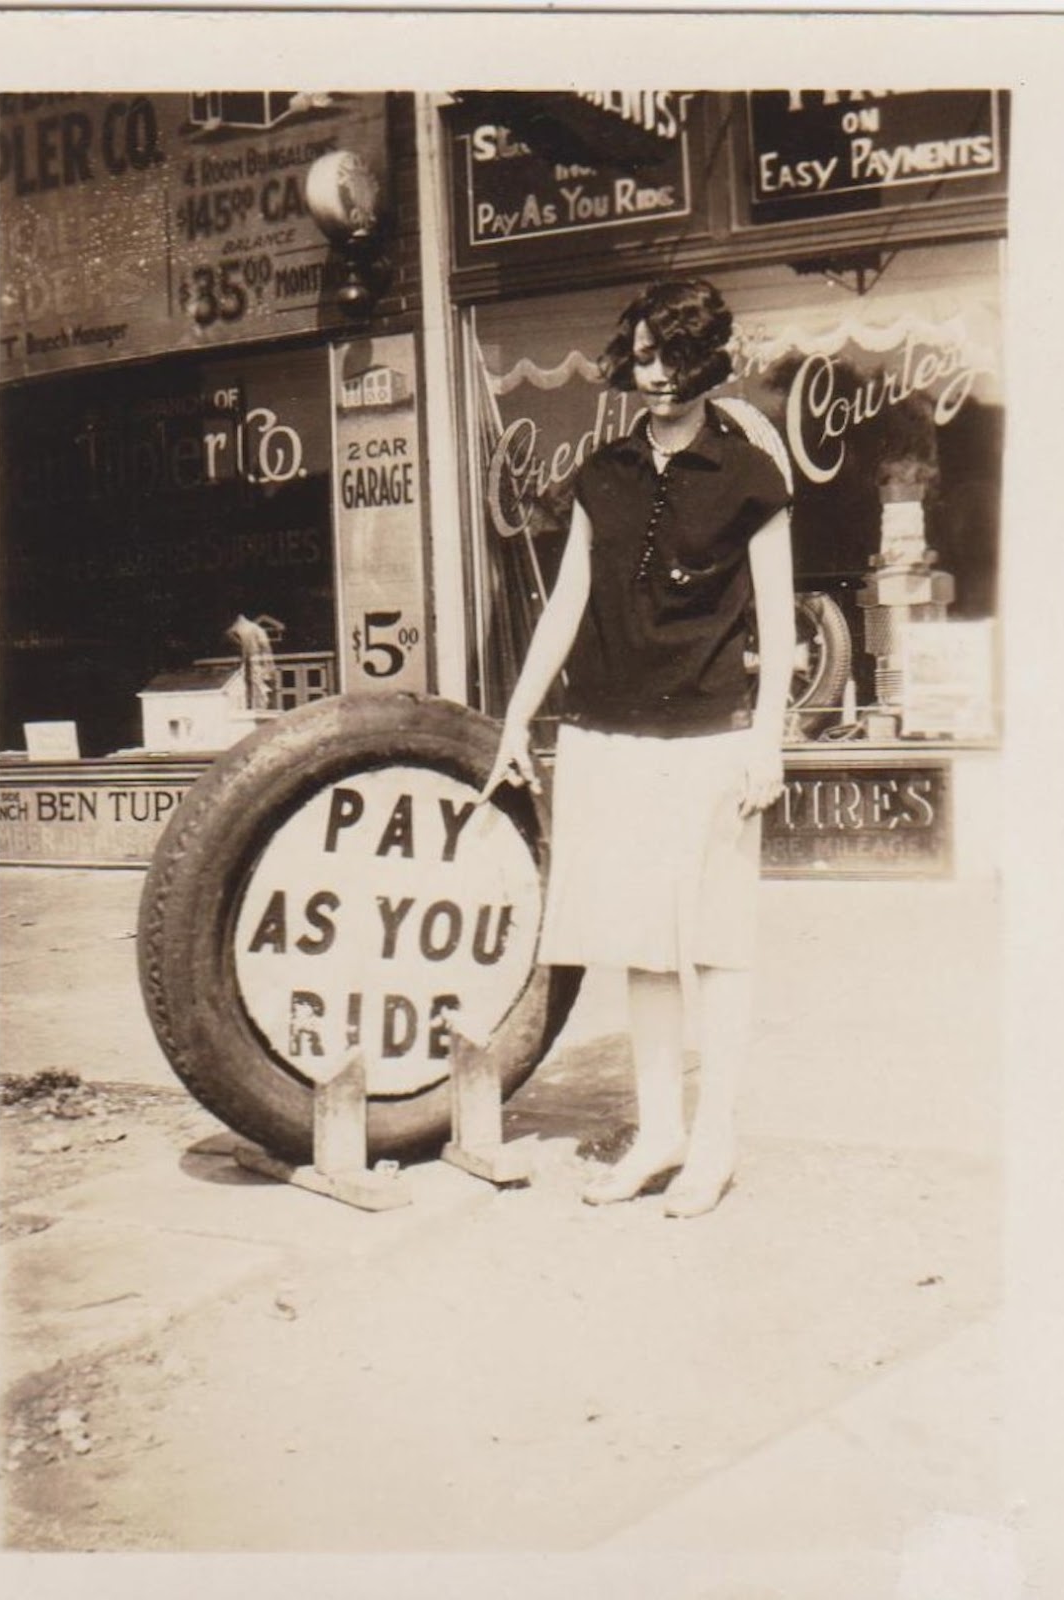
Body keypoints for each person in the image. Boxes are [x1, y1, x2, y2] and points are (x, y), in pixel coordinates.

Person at [479, 278, 796, 1218]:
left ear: (709, 364)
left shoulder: (750, 476)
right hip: (606, 737)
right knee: (641, 948)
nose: (658, 377)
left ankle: (716, 1140)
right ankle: (659, 1132)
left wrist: (768, 741)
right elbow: (566, 603)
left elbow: (779, 627)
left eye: (678, 359)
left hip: (710, 741)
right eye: (647, 356)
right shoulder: (604, 474)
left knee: (717, 949)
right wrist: (513, 723)